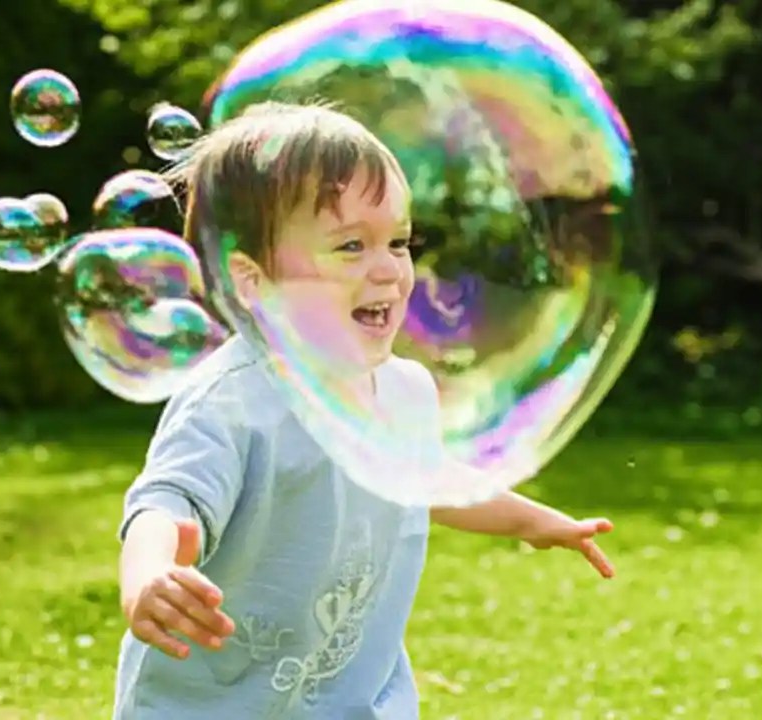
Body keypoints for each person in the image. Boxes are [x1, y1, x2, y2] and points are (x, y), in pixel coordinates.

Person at [114, 101, 615, 719]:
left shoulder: (403, 390)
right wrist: (147, 574)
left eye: (399, 242)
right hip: (214, 705)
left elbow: (426, 478)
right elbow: (166, 502)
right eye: (351, 246)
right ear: (253, 280)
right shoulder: (232, 402)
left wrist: (532, 522)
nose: (388, 270)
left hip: (351, 701)